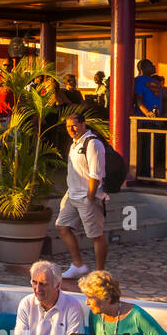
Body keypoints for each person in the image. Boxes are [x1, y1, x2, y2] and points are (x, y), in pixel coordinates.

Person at [56, 112, 107, 277]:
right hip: (72, 194)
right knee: (62, 226)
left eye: (74, 125)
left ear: (83, 124)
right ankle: (78, 265)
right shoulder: (74, 143)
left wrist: (91, 197)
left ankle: (99, 273)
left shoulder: (92, 144)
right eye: (68, 126)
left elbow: (95, 173)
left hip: (87, 196)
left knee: (96, 235)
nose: (71, 129)